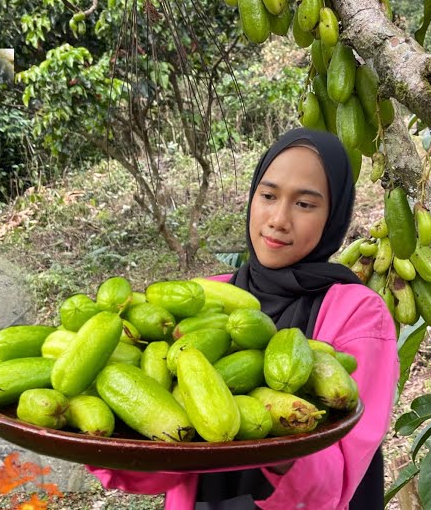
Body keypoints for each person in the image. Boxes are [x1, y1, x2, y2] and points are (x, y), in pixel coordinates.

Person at [89, 128, 398, 509]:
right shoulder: (203, 297)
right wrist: (101, 427)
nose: (278, 219)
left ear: (333, 216)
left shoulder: (358, 312)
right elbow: (161, 462)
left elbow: (339, 472)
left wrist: (287, 432)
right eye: (268, 196)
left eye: (304, 204)